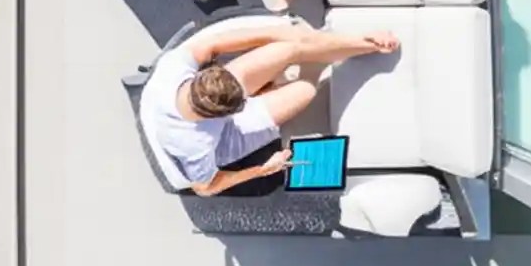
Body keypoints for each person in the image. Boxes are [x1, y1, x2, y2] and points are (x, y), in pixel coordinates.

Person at [139, 21, 398, 197]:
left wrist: (276, 34)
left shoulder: (173, 69)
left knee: (287, 48)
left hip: (213, 100)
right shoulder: (194, 146)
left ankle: (367, 43)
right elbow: (205, 188)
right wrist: (264, 168)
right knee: (305, 91)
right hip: (226, 139)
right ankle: (306, 71)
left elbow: (215, 43)